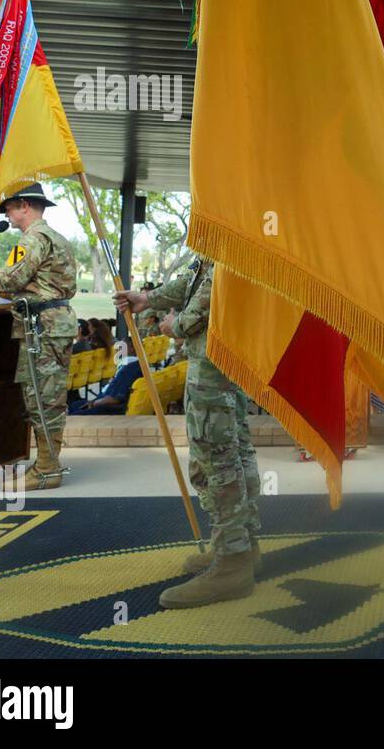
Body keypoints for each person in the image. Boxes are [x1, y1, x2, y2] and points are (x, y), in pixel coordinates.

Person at [115, 254, 263, 606]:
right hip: (224, 357)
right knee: (236, 452)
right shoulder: (224, 227)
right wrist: (148, 298)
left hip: (215, 361)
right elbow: (198, 277)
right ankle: (242, 545)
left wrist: (176, 325)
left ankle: (232, 564)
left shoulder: (231, 220)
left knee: (215, 460)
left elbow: (215, 291)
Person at [0, 183, 78, 490]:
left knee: (42, 398)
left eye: (9, 208)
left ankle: (46, 470)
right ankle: (47, 464)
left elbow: (12, 276)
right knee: (47, 396)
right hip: (52, 324)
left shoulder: (34, 238)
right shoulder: (54, 237)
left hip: (43, 326)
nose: (7, 215)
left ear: (24, 206)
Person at [68, 340, 148, 415]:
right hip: (112, 404)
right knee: (75, 404)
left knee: (74, 414)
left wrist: (93, 403)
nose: (117, 351)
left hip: (109, 409)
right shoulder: (140, 365)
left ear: (132, 349)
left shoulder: (128, 369)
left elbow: (113, 400)